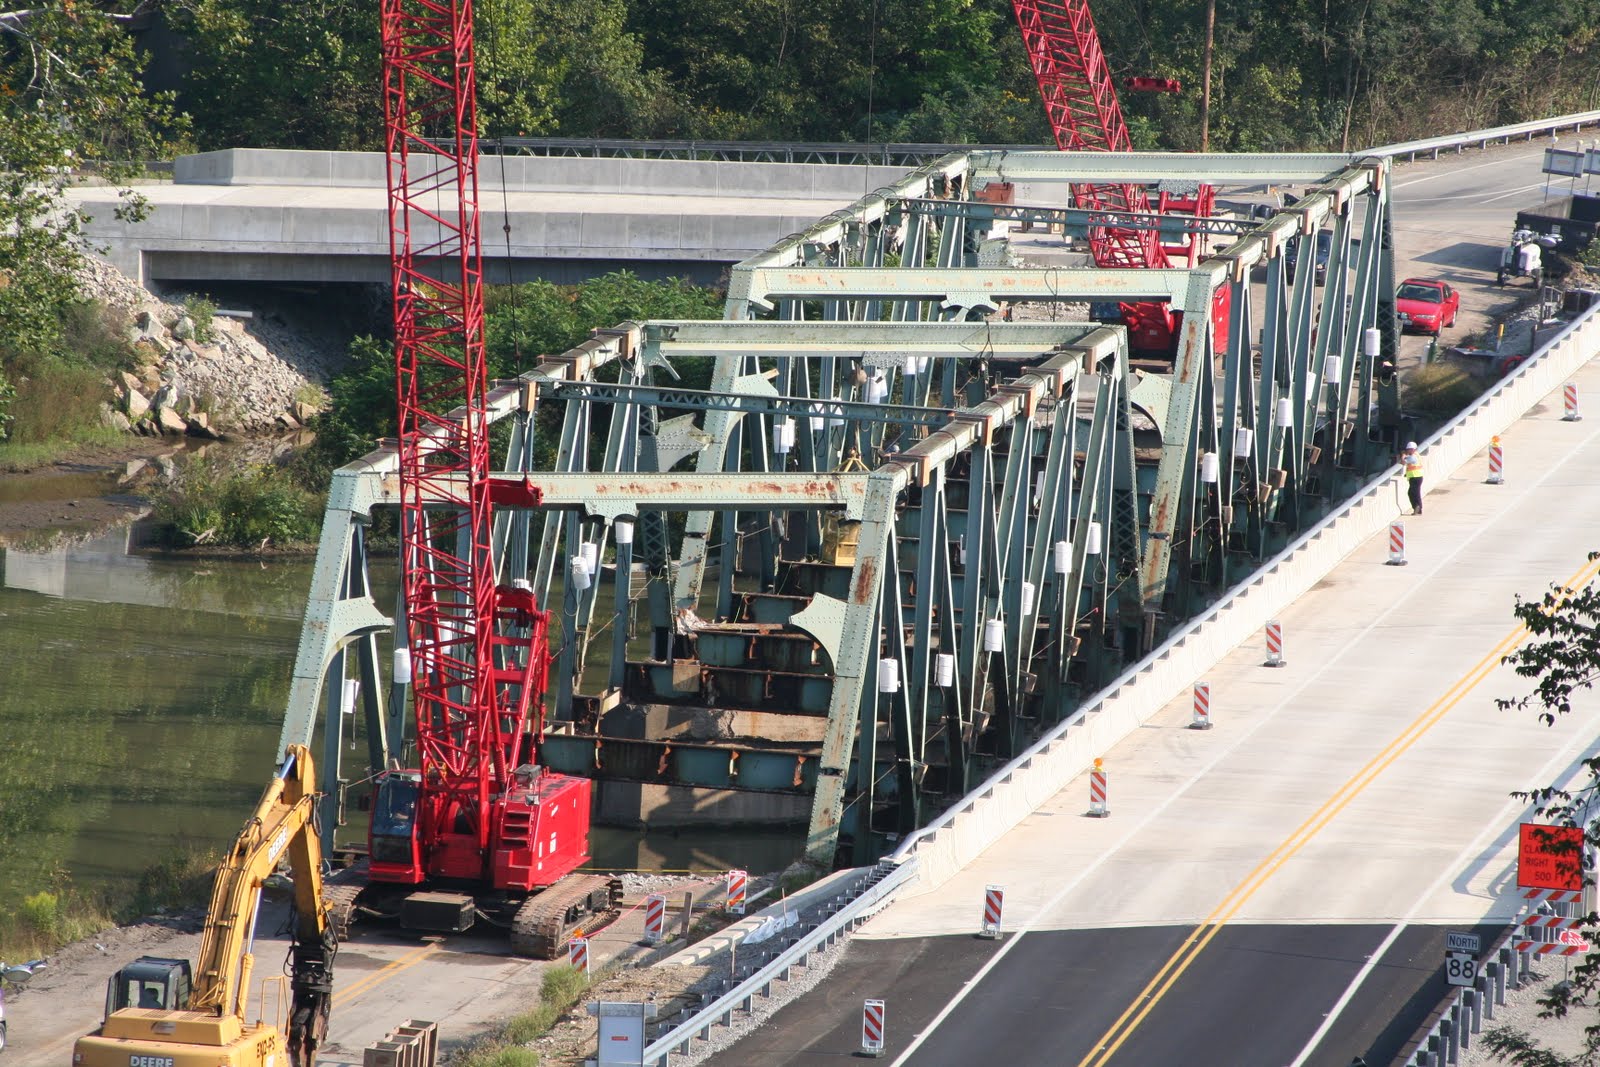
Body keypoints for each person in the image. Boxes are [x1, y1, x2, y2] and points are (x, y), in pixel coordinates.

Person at [1402, 442, 1424, 514]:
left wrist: (1403, 456)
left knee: (1412, 493)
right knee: (1416, 493)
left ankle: (1417, 507)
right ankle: (1418, 509)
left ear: (1413, 449)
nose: (1408, 450)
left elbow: (1403, 462)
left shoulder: (1413, 457)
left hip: (1415, 477)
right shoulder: (1416, 454)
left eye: (1409, 449)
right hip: (1417, 476)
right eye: (1408, 449)